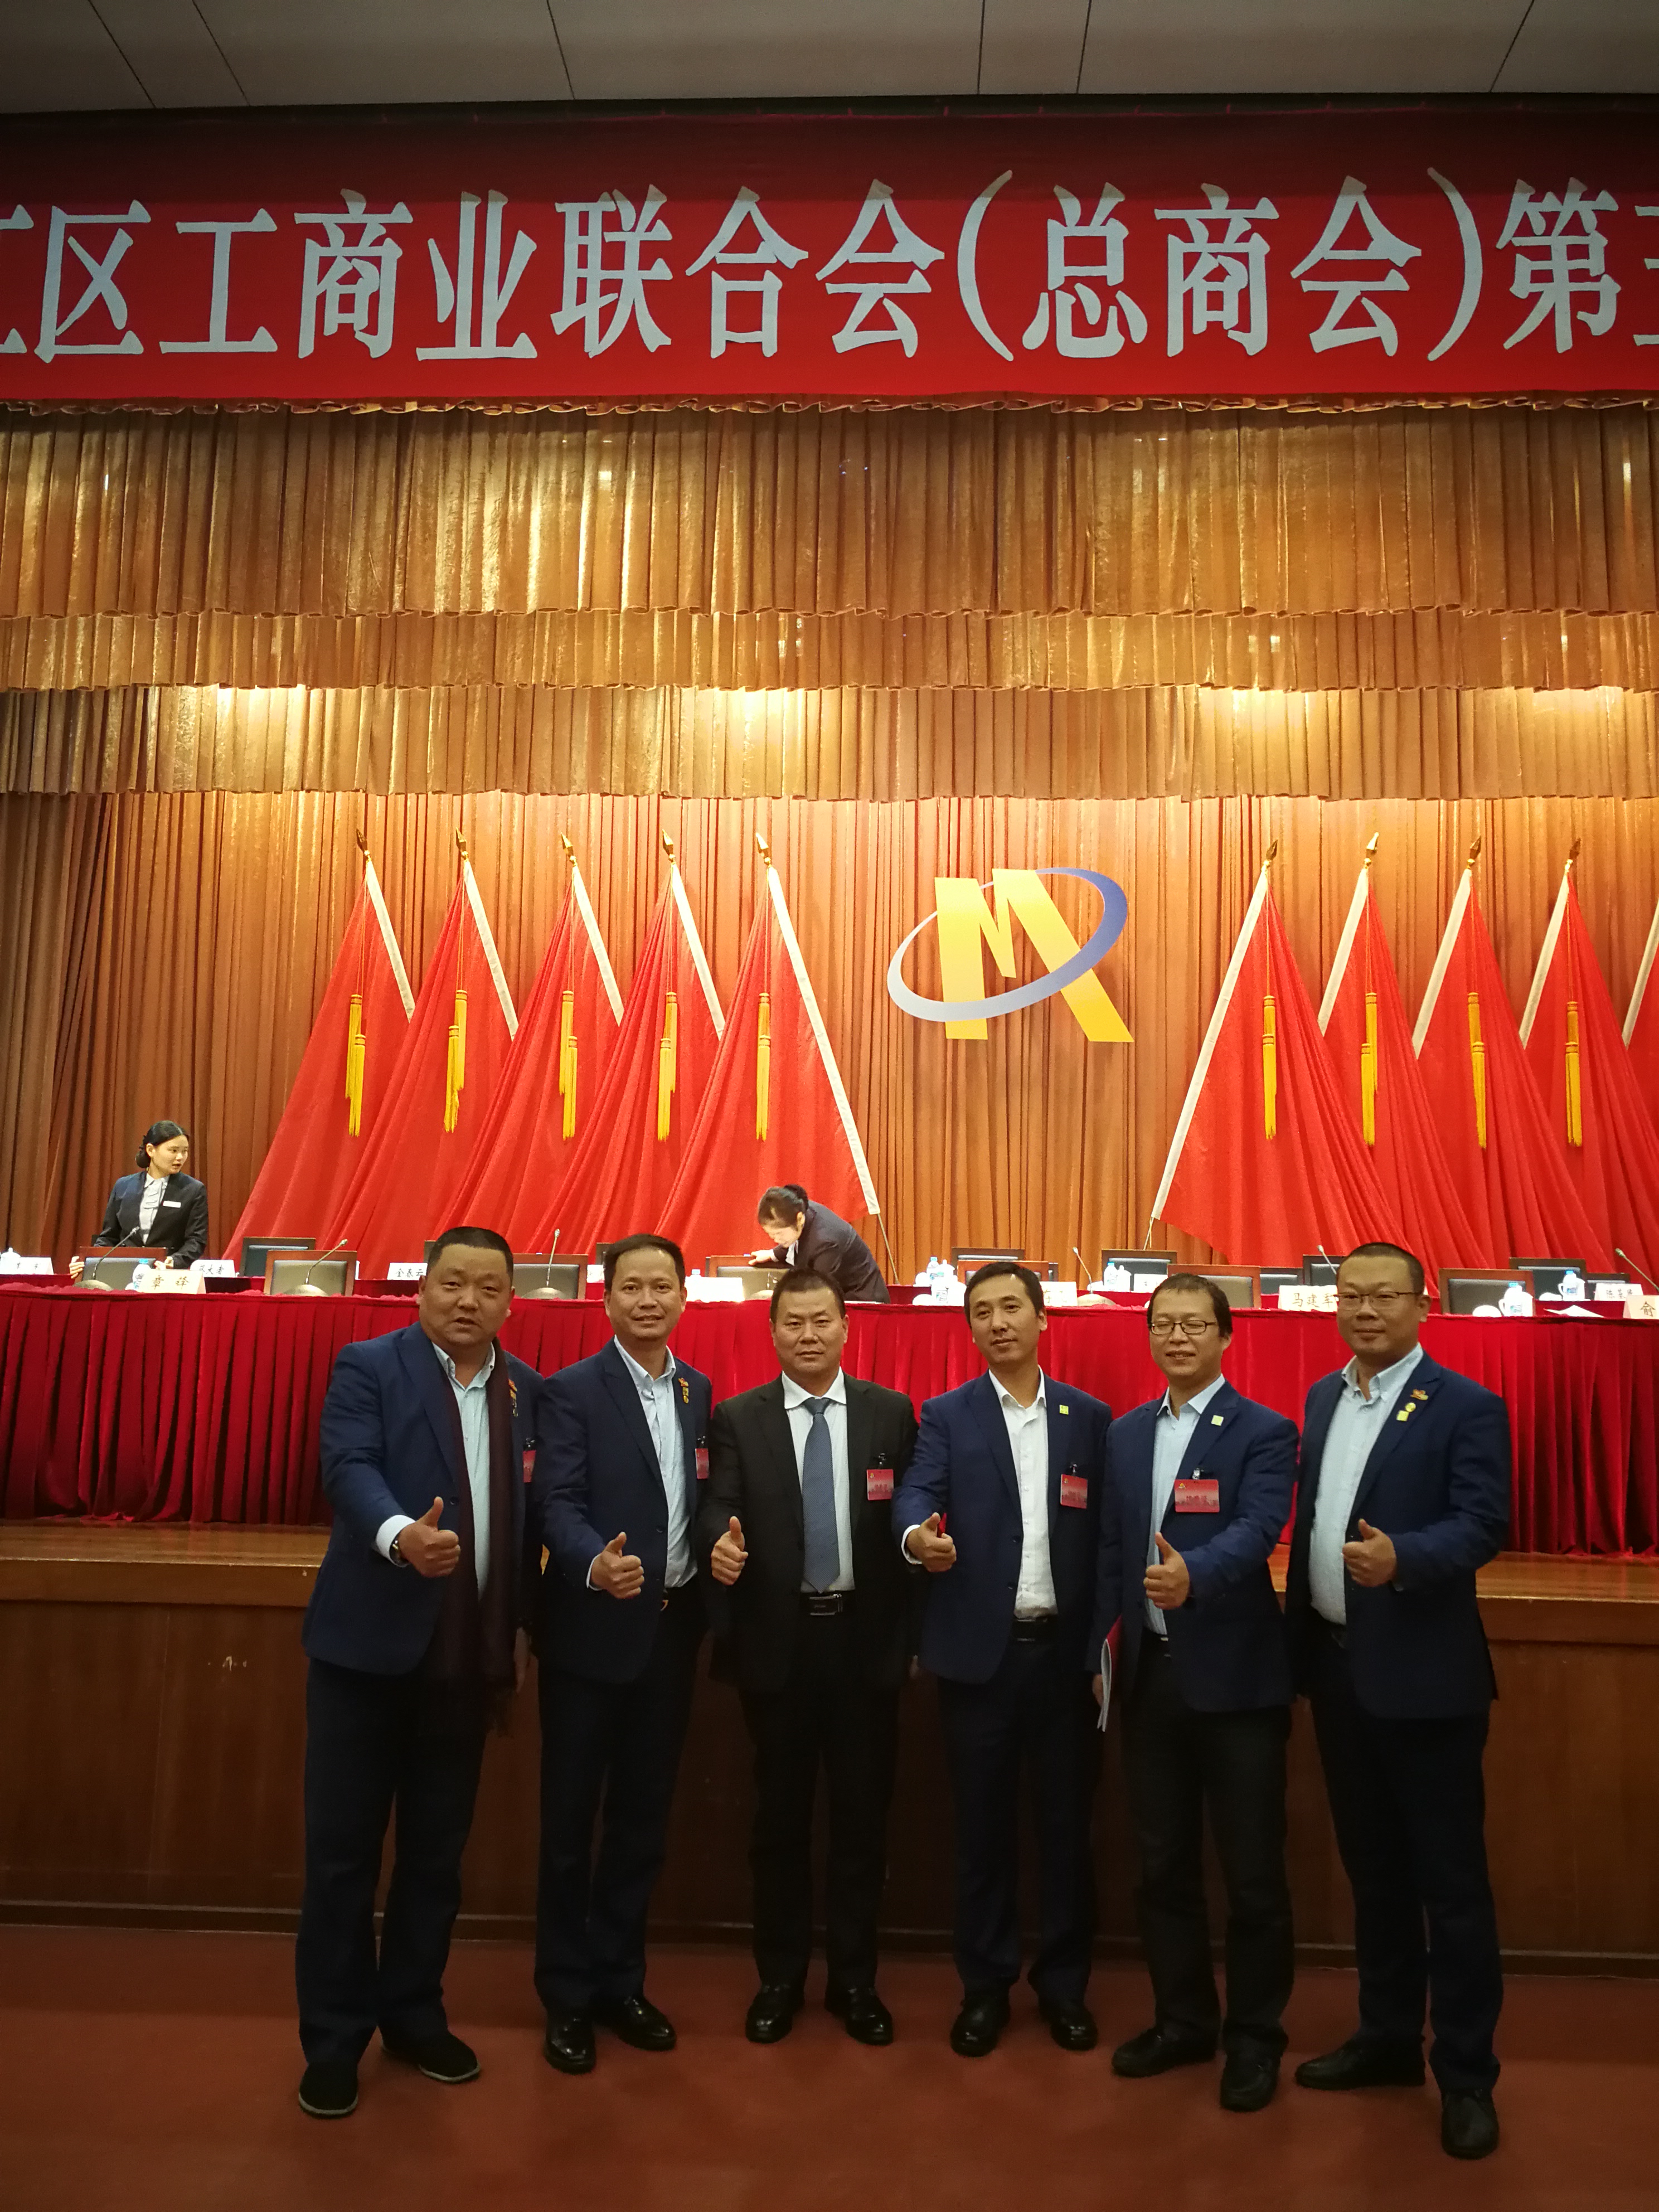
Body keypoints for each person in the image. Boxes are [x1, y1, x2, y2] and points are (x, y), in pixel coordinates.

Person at [294, 1226, 539, 2121]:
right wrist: (401, 1536)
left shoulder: (526, 1389)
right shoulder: (369, 1366)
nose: (469, 1301)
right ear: (423, 1287)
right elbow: (347, 1467)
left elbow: (537, 1510)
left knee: (436, 1857)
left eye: (488, 1288)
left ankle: (413, 2014)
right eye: (453, 1283)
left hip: (466, 1662)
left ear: (511, 1300)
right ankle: (333, 2041)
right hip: (366, 1654)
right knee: (342, 1861)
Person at [1286, 1241, 1510, 2162]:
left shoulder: (1465, 1405)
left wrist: (1404, 1558)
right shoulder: (1323, 1396)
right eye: (1352, 1296)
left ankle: (1466, 2074)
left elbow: (1484, 1522)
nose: (1366, 1311)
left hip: (1426, 1681)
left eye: (1385, 1296)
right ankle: (1385, 2037)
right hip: (1341, 1672)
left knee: (1449, 1887)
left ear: (1422, 1305)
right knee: (1373, 1874)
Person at [891, 1260, 1112, 2057]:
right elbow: (917, 1492)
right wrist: (917, 1537)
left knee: (1066, 1831)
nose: (997, 1322)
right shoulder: (947, 1414)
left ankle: (1064, 1987)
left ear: (1042, 1317)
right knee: (981, 1832)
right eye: (981, 1311)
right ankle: (984, 1987)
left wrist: (1102, 1649)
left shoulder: (1089, 1418)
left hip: (1064, 1660)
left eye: (1011, 1306)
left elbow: (1108, 1537)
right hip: (979, 1660)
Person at [1090, 1273, 1297, 2113]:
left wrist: (1195, 1575)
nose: (1177, 1337)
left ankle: (1254, 2038)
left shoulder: (1265, 1430)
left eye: (1194, 1325)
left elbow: (1259, 1527)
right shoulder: (1127, 1432)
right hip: (1152, 1679)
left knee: (1252, 1874)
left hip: (1238, 1681)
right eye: (1164, 1325)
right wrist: (1099, 1651)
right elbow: (1113, 1548)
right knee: (1163, 1865)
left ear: (1225, 1336)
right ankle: (1183, 2021)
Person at [698, 1267, 919, 2046]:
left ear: (846, 1327)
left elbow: (911, 1511)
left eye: (822, 1320)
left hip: (865, 1645)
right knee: (779, 1824)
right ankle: (780, 1979)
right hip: (778, 1644)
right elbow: (719, 1504)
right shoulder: (739, 1416)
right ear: (773, 1332)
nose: (809, 1335)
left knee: (862, 1822)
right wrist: (718, 1543)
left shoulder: (891, 1412)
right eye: (793, 1323)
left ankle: (856, 1981)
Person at [532, 1233, 714, 2074]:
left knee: (642, 1822)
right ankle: (566, 1995)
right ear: (606, 1301)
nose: (647, 1300)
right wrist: (590, 1562)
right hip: (590, 1634)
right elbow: (556, 1502)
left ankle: (620, 1981)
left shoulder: (697, 1389)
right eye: (631, 1288)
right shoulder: (570, 1390)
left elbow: (699, 1497)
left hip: (671, 1636)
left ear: (683, 1297)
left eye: (661, 1287)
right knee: (570, 1824)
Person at [69, 1120, 207, 1279]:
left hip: (166, 1275)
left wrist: (175, 1261)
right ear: (151, 1150)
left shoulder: (193, 1190)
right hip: (122, 1273)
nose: (180, 1157)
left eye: (185, 1151)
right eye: (173, 1150)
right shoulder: (123, 1186)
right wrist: (88, 1261)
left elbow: (196, 1240)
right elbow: (109, 1237)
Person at [754, 1182, 887, 1304]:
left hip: (864, 1302)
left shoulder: (826, 1242)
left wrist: (780, 1295)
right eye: (770, 1234)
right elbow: (794, 1237)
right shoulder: (798, 1207)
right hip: (839, 1294)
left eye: (779, 1234)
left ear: (799, 1219)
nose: (775, 1239)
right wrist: (773, 1254)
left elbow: (818, 1291)